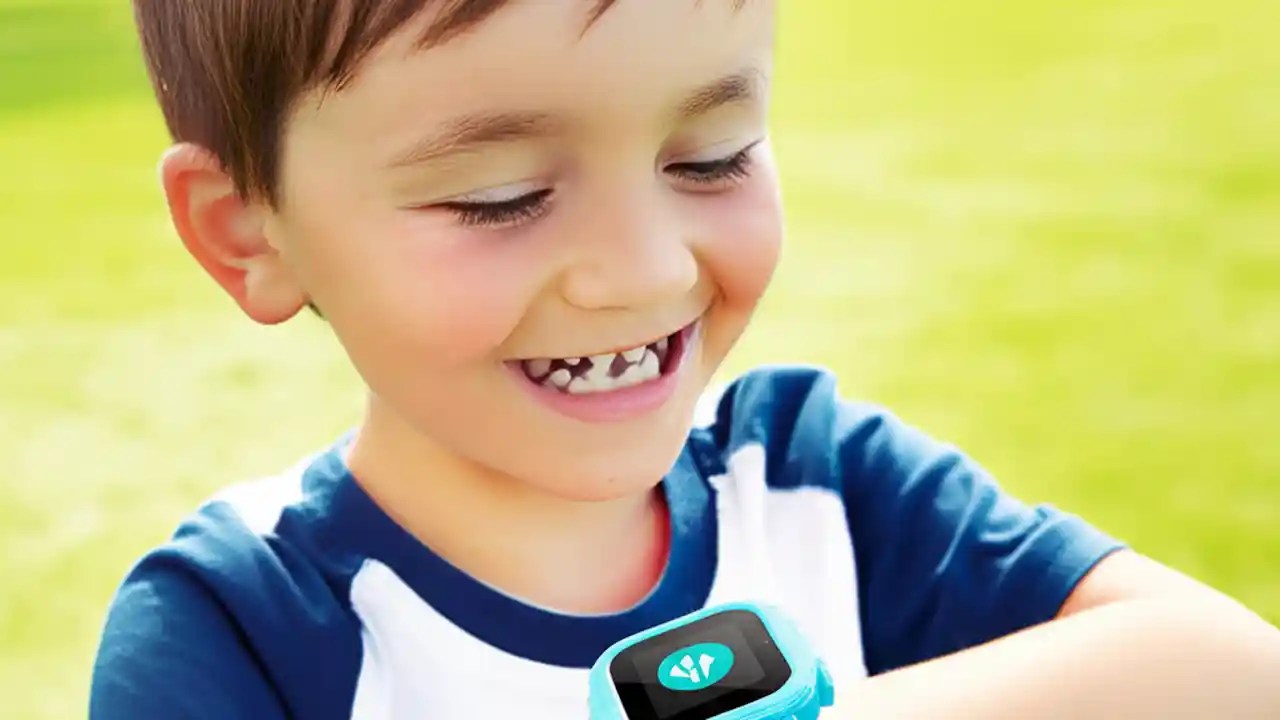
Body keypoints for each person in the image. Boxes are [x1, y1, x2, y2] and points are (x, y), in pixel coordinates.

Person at [90, 1, 1280, 718]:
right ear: (248, 230)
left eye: (710, 156)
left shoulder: (822, 490)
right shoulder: (239, 633)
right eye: (499, 197)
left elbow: (1231, 674)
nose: (649, 270)